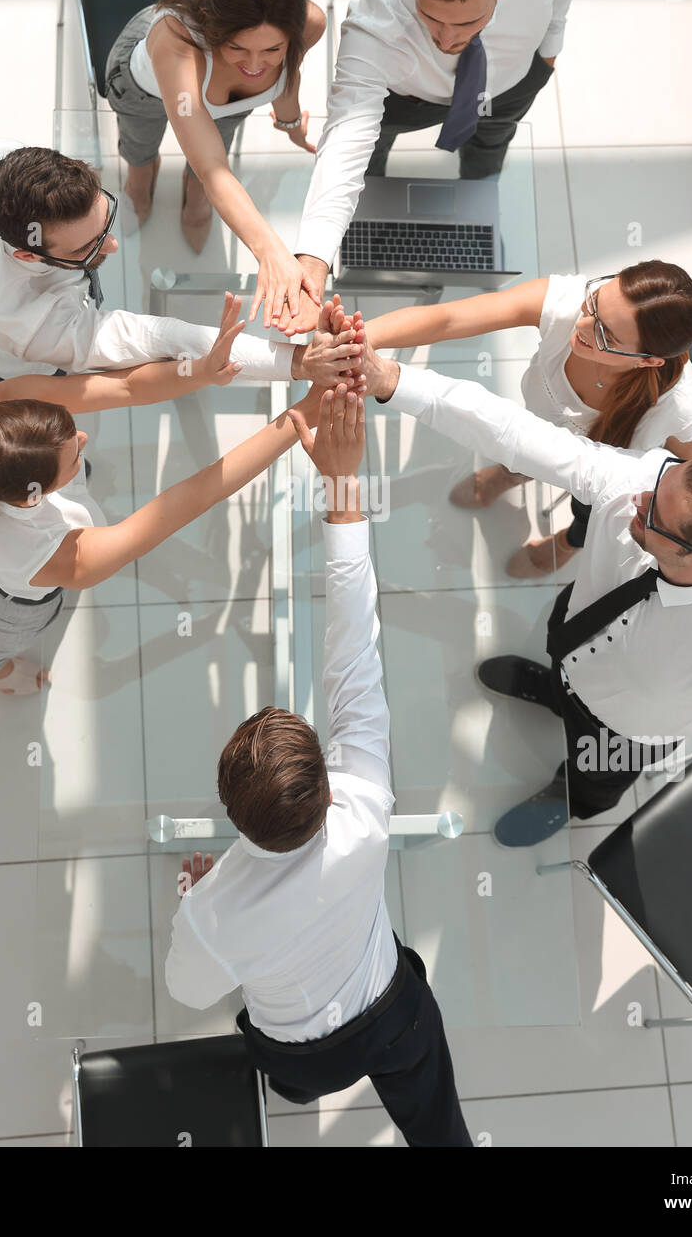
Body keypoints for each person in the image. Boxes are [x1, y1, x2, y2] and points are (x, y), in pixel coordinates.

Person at [355, 324, 692, 851]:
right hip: (578, 629)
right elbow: (515, 433)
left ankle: (567, 797)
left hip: (623, 730)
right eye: (664, 480)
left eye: (654, 513)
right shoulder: (647, 478)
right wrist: (392, 379)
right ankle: (554, 690)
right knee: (563, 661)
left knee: (594, 776)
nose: (636, 498)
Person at [164, 386, 471, 1148]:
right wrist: (341, 484)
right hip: (395, 1015)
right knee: (440, 1131)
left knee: (296, 1084)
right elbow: (353, 649)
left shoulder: (212, 911)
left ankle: (298, 1097)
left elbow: (186, 989)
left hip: (302, 1053)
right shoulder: (364, 813)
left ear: (230, 809)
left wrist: (196, 892)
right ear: (327, 786)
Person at [0, 297, 351, 696]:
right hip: (0, 603)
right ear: (34, 497)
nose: (83, 437)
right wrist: (304, 413)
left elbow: (124, 387)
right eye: (72, 458)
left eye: (70, 429)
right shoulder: (63, 558)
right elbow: (199, 493)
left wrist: (203, 371)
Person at [281, 0, 576, 335]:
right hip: (408, 98)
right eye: (431, 17)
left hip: (509, 83)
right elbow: (345, 139)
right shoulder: (374, 16)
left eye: (468, 23)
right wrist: (313, 258)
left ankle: (480, 202)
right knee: (370, 155)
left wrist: (549, 52)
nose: (446, 38)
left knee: (491, 146)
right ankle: (370, 216)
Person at [0, 140, 328, 426]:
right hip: (3, 368)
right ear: (29, 254)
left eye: (106, 220)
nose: (114, 246)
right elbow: (162, 337)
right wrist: (297, 363)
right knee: (3, 424)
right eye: (91, 245)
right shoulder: (29, 325)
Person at [360, 261, 692, 576]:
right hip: (536, 427)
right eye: (593, 305)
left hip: (598, 477)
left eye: (604, 334)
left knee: (587, 509)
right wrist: (359, 339)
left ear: (648, 360)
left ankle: (566, 543)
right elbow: (448, 319)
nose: (581, 326)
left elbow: (664, 487)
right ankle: (511, 474)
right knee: (521, 445)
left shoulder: (681, 411)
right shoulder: (569, 301)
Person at [104, 0, 326, 323]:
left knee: (212, 155)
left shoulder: (311, 23)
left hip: (231, 104)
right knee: (140, 147)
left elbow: (289, 76)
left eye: (273, 48)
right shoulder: (177, 39)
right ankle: (139, 184)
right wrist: (272, 251)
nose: (255, 66)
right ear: (214, 27)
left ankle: (196, 202)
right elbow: (213, 168)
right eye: (236, 47)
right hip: (145, 89)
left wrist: (290, 125)